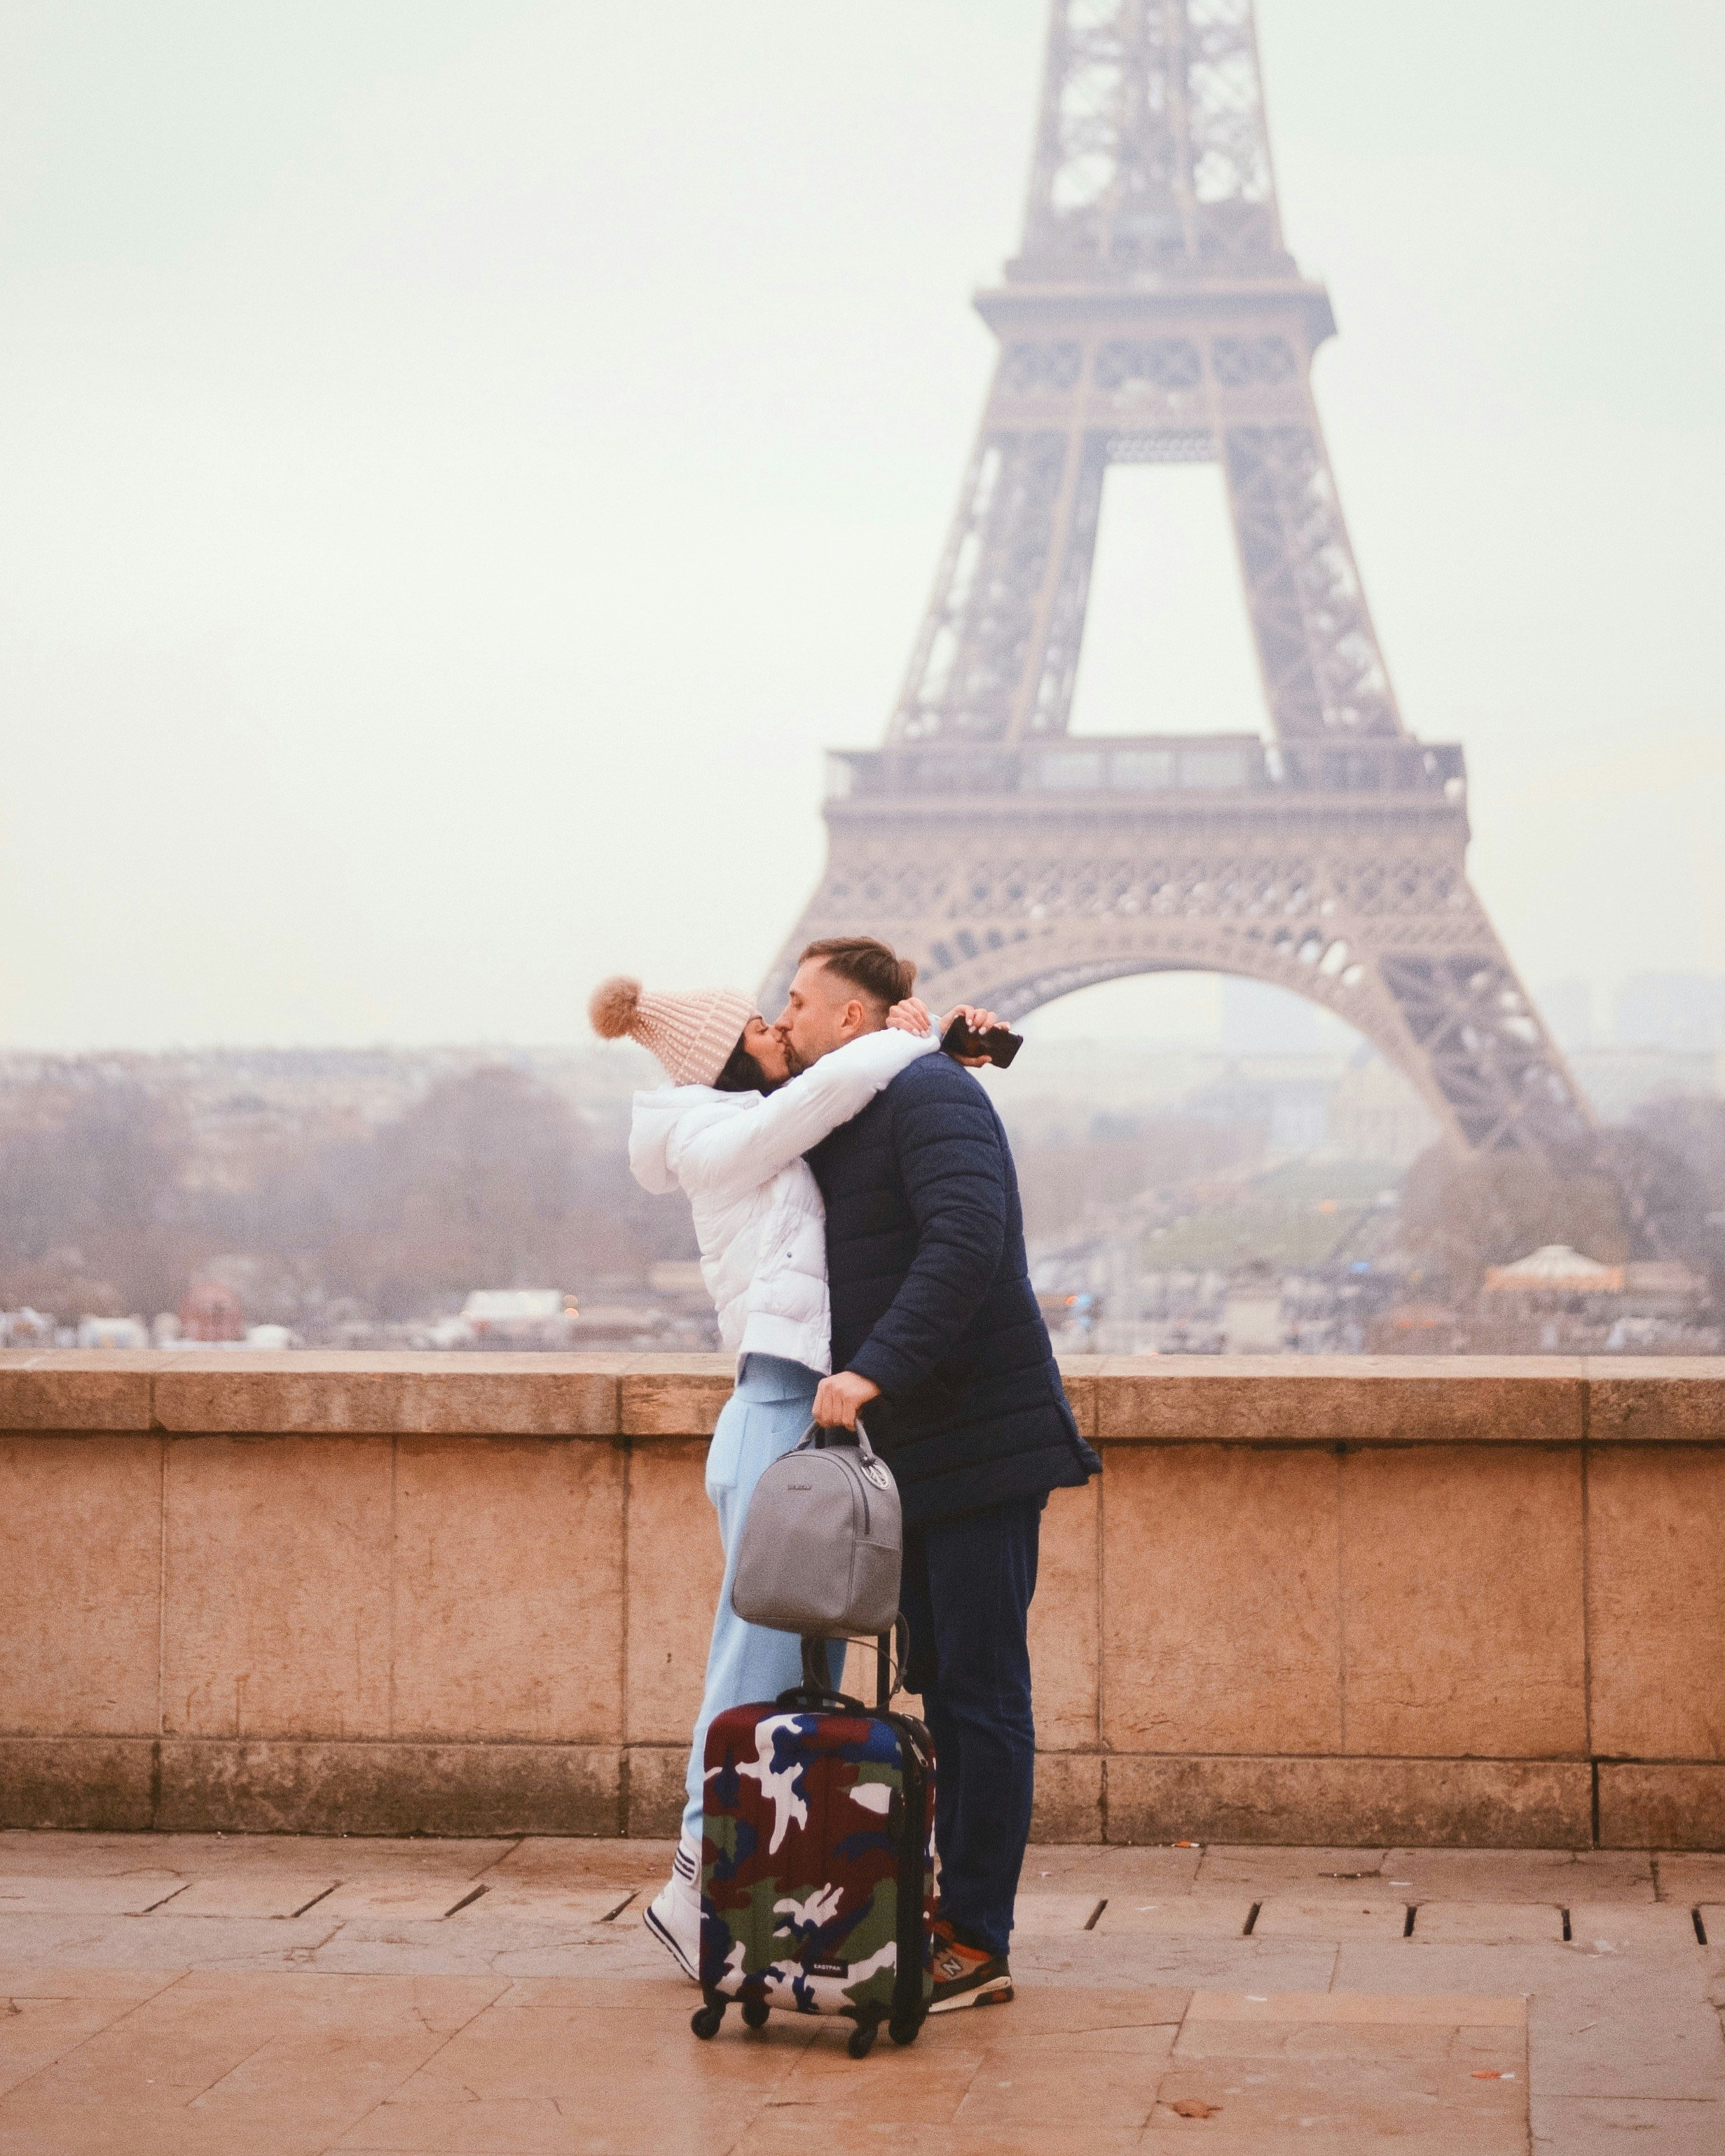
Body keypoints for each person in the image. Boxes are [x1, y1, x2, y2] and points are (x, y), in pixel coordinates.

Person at [587, 971, 997, 1981]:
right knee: (752, 1671)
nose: (779, 1032)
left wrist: (939, 1058)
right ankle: (694, 1884)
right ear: (724, 1054)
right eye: (760, 1027)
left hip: (799, 1417)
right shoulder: (710, 1133)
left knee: (799, 1682)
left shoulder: (763, 1122)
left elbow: (869, 1141)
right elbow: (832, 1091)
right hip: (773, 1413)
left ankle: (768, 1886)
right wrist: (908, 1039)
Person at [776, 936, 1101, 2013]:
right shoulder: (866, 1100)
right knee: (950, 1692)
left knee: (979, 1694)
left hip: (975, 1442)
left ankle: (975, 1934)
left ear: (853, 1016)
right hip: (924, 1446)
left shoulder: (927, 1096)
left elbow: (964, 1241)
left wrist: (872, 1369)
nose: (785, 1016)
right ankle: (947, 1911)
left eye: (799, 1001)